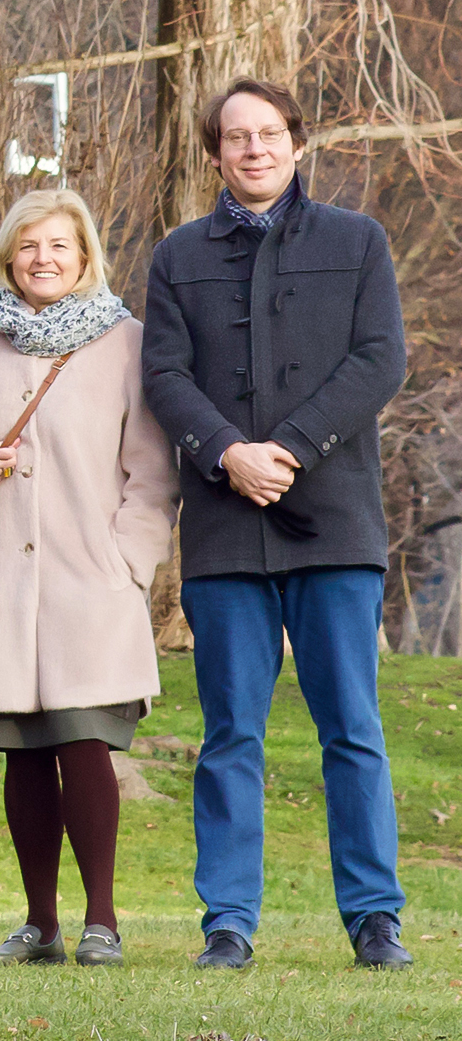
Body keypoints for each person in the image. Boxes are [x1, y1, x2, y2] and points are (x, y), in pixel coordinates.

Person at [142, 79, 411, 971]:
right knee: (230, 736)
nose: (253, 149)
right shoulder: (179, 256)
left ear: (297, 142)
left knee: (352, 729)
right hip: (223, 532)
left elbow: (381, 359)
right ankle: (228, 922)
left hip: (335, 522)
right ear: (214, 153)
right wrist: (227, 453)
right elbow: (165, 376)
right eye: (234, 137)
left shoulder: (358, 242)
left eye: (268, 134)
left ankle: (376, 918)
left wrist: (287, 447)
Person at [0, 188, 176, 969]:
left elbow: (153, 472)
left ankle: (102, 918)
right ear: (9, 256)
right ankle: (40, 923)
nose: (44, 259)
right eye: (29, 246)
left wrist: (128, 564)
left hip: (90, 582)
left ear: (85, 256)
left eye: (60, 247)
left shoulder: (127, 343)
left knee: (85, 742)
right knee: (22, 751)